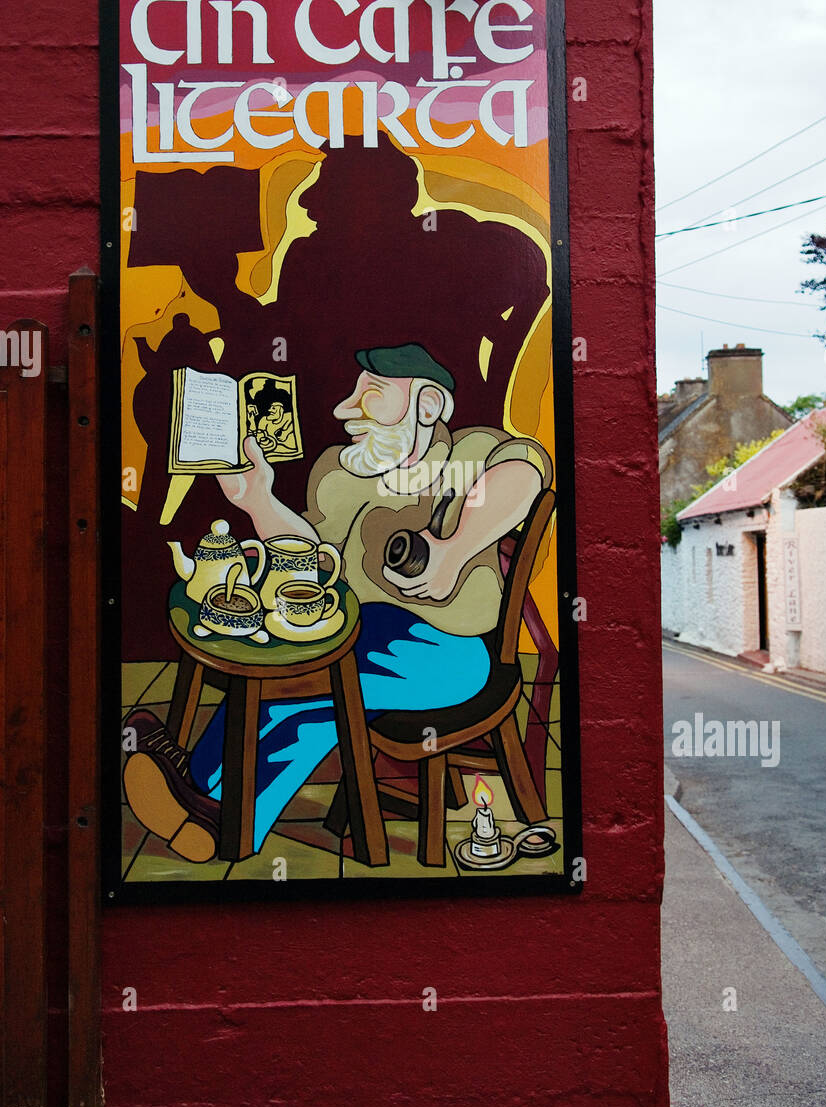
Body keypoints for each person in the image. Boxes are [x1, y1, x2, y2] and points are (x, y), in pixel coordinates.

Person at [123, 343, 551, 863]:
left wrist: (453, 552)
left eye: (370, 396)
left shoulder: (467, 453)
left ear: (428, 406)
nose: (344, 410)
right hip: (360, 639)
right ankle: (218, 816)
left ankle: (201, 786)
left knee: (307, 675)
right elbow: (312, 556)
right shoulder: (339, 471)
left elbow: (529, 467)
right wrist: (258, 500)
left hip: (452, 654)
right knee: (307, 686)